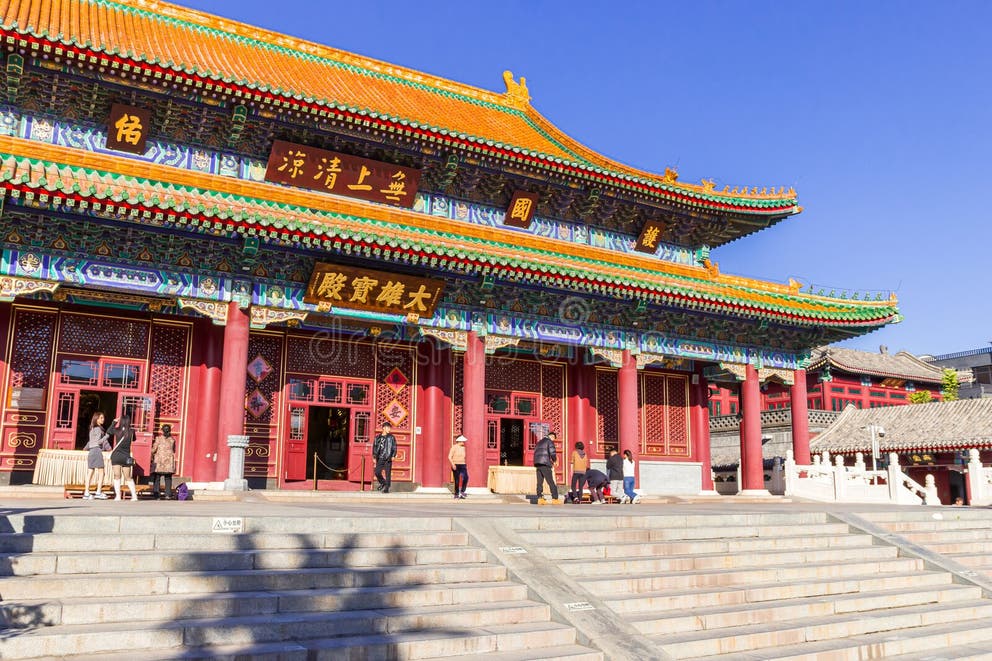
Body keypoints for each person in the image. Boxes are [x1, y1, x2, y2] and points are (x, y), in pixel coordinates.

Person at [109, 415, 138, 501]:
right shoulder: (132, 431)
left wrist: (114, 422)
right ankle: (134, 496)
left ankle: (118, 496)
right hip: (126, 456)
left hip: (116, 456)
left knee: (117, 476)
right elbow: (134, 439)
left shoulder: (117, 431)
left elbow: (109, 431)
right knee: (128, 477)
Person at [82, 412, 111, 500]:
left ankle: (86, 493)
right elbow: (98, 442)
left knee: (90, 472)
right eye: (101, 418)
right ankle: (98, 492)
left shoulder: (92, 429)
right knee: (102, 472)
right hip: (97, 450)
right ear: (97, 419)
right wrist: (106, 436)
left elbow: (90, 441)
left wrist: (85, 449)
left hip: (91, 451)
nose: (103, 419)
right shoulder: (99, 429)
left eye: (103, 418)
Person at [150, 424, 177, 500]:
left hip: (159, 461)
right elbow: (174, 450)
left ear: (162, 430)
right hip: (168, 462)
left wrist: (151, 454)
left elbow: (154, 449)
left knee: (157, 478)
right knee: (168, 478)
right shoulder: (172, 440)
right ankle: (168, 495)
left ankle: (156, 495)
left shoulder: (158, 439)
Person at [533, 431, 559, 502]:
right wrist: (555, 460)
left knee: (539, 482)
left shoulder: (539, 442)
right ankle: (555, 498)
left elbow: (535, 453)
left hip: (538, 464)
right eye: (554, 439)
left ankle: (540, 497)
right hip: (545, 463)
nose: (553, 440)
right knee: (550, 481)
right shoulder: (549, 441)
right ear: (552, 436)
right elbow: (552, 452)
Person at [371, 421, 397, 493]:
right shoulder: (377, 437)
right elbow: (374, 447)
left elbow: (394, 447)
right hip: (380, 458)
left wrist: (393, 455)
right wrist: (374, 457)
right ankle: (383, 482)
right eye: (388, 427)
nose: (389, 429)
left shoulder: (391, 437)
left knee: (387, 473)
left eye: (389, 428)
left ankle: (386, 488)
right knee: (377, 472)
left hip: (388, 458)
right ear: (383, 428)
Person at [448, 434, 469, 499]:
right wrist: (453, 464)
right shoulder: (454, 447)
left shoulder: (464, 448)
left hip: (463, 464)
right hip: (456, 465)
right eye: (462, 441)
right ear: (459, 441)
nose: (463, 442)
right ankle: (456, 493)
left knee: (466, 478)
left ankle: (462, 491)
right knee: (456, 480)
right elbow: (449, 457)